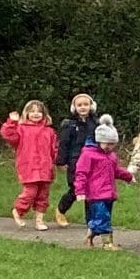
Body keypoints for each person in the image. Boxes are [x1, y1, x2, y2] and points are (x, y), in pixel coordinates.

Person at [1, 102, 59, 231]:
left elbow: (54, 148)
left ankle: (39, 220)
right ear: (26, 113)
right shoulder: (21, 129)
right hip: (28, 166)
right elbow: (8, 136)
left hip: (45, 167)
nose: (36, 114)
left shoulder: (49, 131)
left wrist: (56, 161)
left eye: (39, 111)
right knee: (30, 192)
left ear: (44, 114)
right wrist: (12, 122)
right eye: (32, 111)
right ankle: (18, 210)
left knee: (43, 194)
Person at [52, 92, 100, 225]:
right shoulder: (69, 124)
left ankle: (90, 219)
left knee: (91, 190)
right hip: (75, 161)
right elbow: (63, 144)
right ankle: (61, 210)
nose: (83, 107)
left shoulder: (96, 123)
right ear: (74, 108)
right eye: (79, 105)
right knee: (75, 188)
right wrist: (61, 161)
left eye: (86, 104)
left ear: (91, 106)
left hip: (93, 161)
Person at [74, 116, 121, 248]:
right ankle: (107, 243)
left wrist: (128, 176)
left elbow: (116, 171)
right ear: (99, 141)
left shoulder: (111, 156)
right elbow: (81, 173)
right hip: (96, 194)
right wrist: (80, 191)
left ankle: (90, 234)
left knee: (103, 217)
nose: (109, 147)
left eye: (112, 144)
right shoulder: (88, 155)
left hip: (109, 193)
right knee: (103, 217)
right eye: (106, 143)